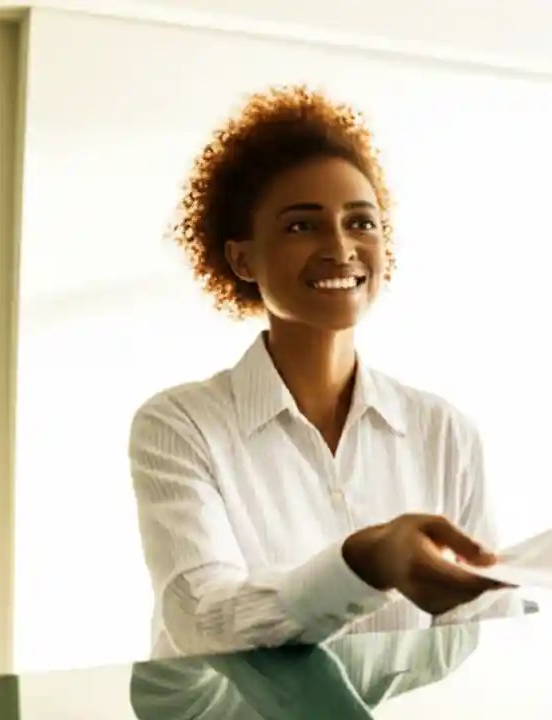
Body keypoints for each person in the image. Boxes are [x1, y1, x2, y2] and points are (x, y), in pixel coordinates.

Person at [129, 86, 510, 660]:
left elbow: (484, 632)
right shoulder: (181, 425)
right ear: (242, 259)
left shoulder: (444, 431)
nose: (341, 247)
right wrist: (363, 562)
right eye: (302, 227)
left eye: (361, 223)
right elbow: (201, 619)